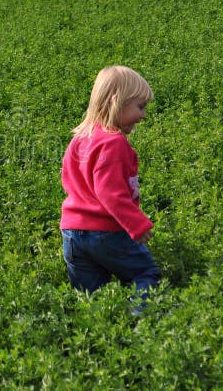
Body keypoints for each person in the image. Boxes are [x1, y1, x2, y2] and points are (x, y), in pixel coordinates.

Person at [60, 65, 161, 305]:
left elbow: (69, 179)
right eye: (140, 107)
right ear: (117, 102)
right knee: (144, 274)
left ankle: (99, 328)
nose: (144, 116)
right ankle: (141, 321)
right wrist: (137, 224)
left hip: (72, 233)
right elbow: (110, 193)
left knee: (91, 298)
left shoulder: (80, 139)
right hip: (106, 231)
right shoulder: (114, 143)